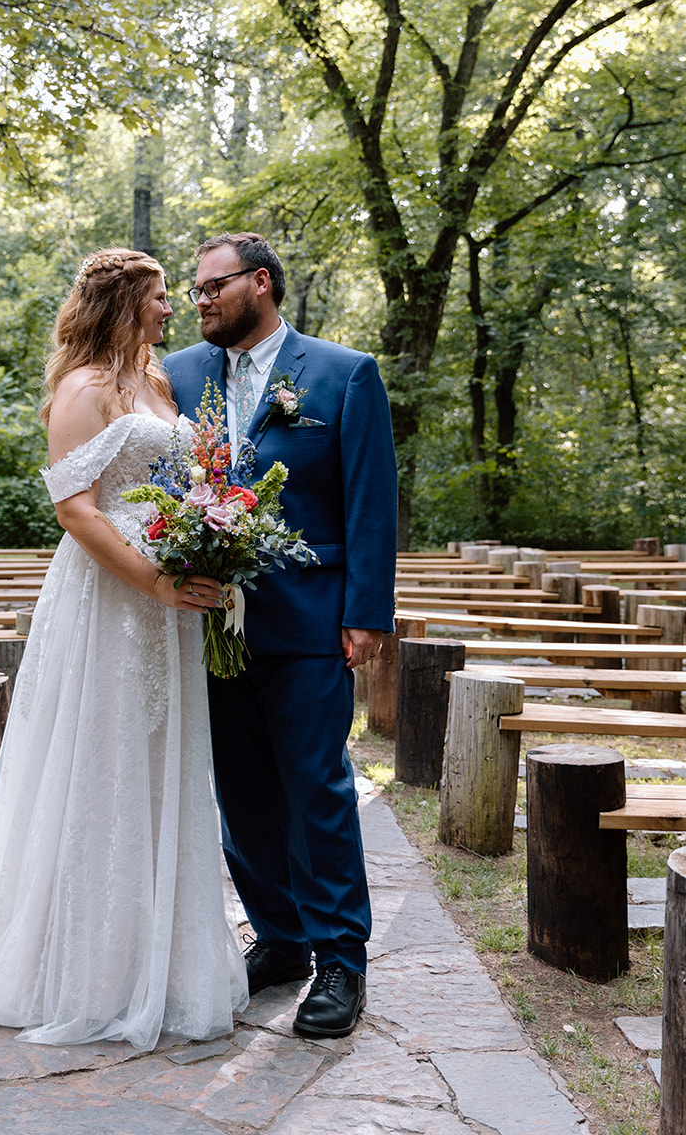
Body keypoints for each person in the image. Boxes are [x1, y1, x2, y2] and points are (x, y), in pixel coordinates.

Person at [0, 247, 248, 1049]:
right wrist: (153, 581)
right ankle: (94, 968)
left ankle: (170, 956)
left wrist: (208, 550)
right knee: (107, 758)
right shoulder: (81, 390)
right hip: (111, 600)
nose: (172, 309)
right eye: (160, 298)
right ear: (124, 302)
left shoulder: (157, 385)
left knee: (167, 764)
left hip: (172, 603)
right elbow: (78, 510)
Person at [163, 231, 398, 1040]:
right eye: (193, 289)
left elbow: (372, 501)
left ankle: (341, 960)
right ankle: (280, 937)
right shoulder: (178, 377)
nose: (198, 300)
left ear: (260, 284)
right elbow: (160, 488)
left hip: (308, 623)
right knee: (242, 793)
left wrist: (366, 613)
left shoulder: (343, 373)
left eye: (211, 286)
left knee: (317, 791)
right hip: (208, 623)